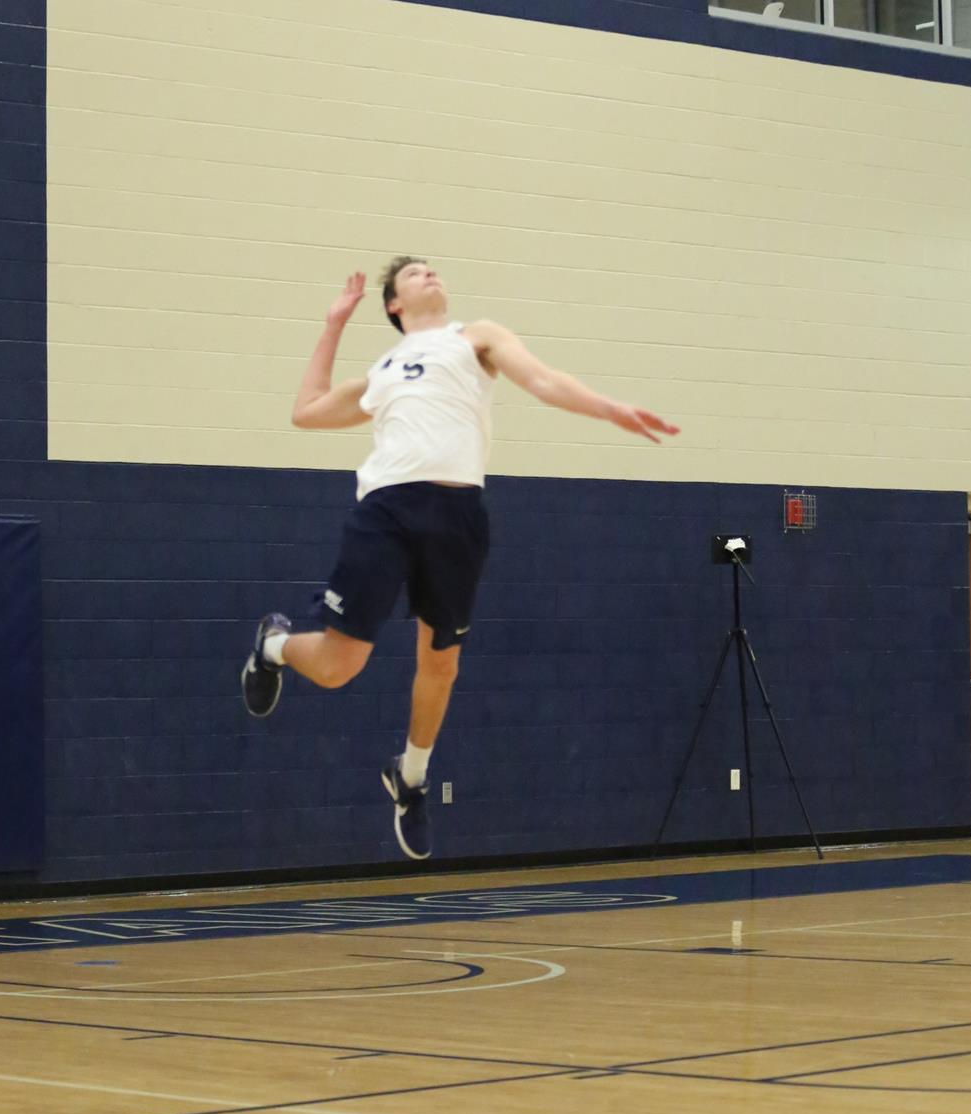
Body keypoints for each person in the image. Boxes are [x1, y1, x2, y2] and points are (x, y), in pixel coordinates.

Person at [241, 257, 678, 860]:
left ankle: (411, 776)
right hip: (387, 509)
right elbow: (305, 410)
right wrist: (333, 324)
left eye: (432, 269)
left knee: (440, 664)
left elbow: (544, 380)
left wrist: (606, 408)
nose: (429, 274)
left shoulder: (478, 337)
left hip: (458, 514)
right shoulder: (382, 370)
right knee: (341, 666)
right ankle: (272, 645)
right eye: (414, 273)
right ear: (393, 304)